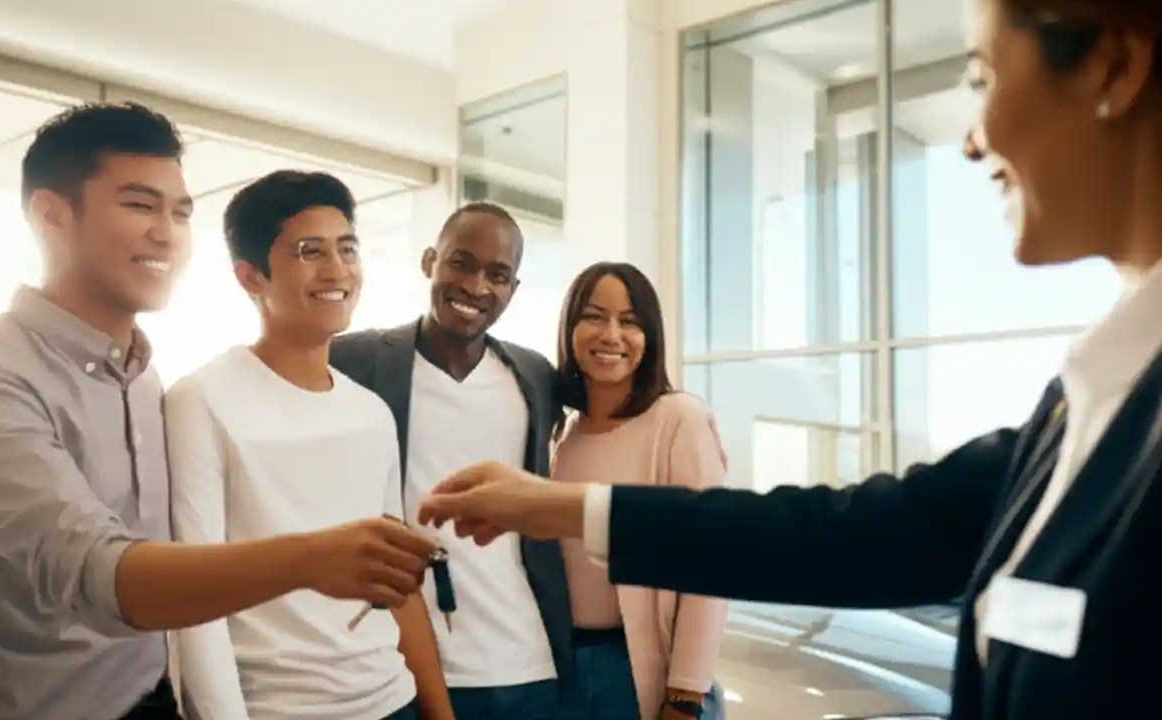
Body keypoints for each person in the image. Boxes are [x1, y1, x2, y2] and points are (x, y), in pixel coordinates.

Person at [418, 2, 1162, 718]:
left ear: (1114, 66)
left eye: (981, 79)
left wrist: (681, 689)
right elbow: (847, 532)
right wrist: (560, 507)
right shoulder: (1087, 403)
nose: (971, 140)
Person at [0, 104, 433, 720]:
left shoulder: (142, 377)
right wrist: (313, 558)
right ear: (51, 215)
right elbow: (100, 575)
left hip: (151, 702)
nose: (167, 232)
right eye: (139, 206)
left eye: (180, 212)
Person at [165, 170, 452, 720]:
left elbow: (396, 584)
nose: (338, 270)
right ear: (250, 276)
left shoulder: (370, 412)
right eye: (309, 251)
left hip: (393, 701)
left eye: (347, 249)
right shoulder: (200, 400)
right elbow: (194, 605)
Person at [330, 202, 571, 719]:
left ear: (514, 289)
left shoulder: (533, 376)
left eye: (498, 275)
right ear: (428, 262)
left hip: (528, 661)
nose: (477, 286)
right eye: (460, 263)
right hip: (409, 666)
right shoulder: (355, 360)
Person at [549, 262, 726, 720]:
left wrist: (685, 695)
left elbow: (710, 566)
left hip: (643, 670)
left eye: (630, 321)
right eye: (594, 316)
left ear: (651, 337)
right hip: (564, 666)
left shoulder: (677, 419)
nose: (611, 334)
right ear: (570, 327)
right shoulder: (562, 434)